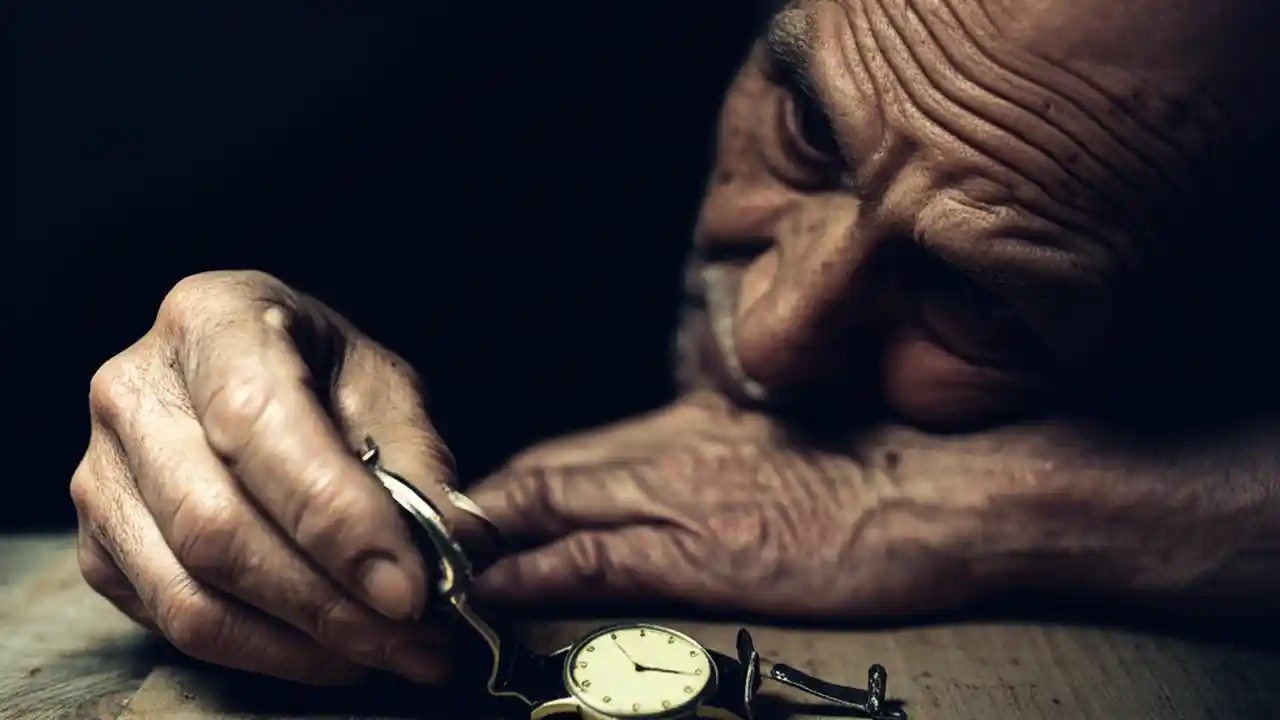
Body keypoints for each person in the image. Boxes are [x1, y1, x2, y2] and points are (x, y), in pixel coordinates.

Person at [71, 0, 1278, 687]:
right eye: (807, 130)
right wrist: (209, 388)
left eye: (980, 299)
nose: (768, 334)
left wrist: (978, 507)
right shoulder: (467, 73)